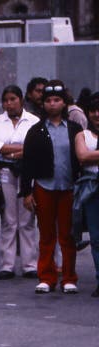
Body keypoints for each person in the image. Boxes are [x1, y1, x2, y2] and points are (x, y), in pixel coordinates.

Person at [21, 80, 82, 294]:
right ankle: (46, 276)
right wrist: (26, 192)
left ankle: (69, 277)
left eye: (57, 100)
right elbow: (26, 162)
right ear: (43, 104)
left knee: (67, 234)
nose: (52, 104)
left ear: (64, 103)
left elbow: (81, 158)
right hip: (44, 186)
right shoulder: (36, 130)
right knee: (46, 234)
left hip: (69, 187)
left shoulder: (75, 129)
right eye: (48, 100)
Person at [0, 85, 40, 279]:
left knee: (27, 218)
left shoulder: (33, 120)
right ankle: (7, 265)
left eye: (13, 99)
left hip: (27, 172)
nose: (9, 104)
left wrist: (21, 151)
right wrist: (19, 150)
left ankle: (29, 264)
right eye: (6, 100)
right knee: (9, 219)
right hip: (6, 171)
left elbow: (36, 146)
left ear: (21, 100)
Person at [73, 92, 99, 297]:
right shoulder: (83, 135)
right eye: (93, 110)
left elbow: (90, 157)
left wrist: (93, 157)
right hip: (91, 188)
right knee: (96, 237)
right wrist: (90, 157)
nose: (97, 114)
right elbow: (82, 156)